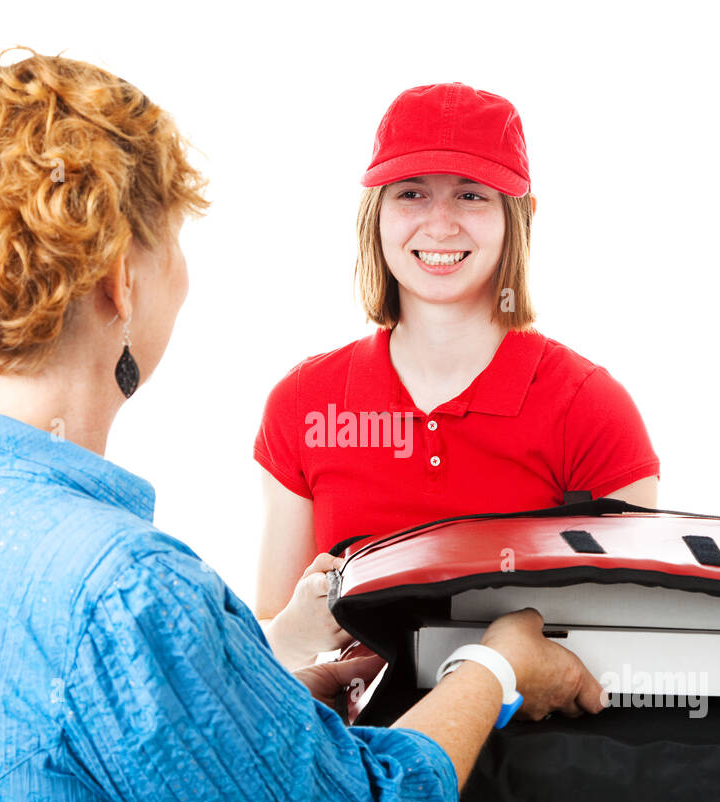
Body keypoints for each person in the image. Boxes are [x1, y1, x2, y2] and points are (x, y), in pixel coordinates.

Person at [0, 50, 604, 802]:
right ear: (118, 282)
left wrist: (251, 696)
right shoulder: (126, 586)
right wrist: (495, 666)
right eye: (170, 243)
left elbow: (70, 747)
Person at [255, 82, 661, 673]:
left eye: (471, 195)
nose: (440, 225)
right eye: (412, 194)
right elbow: (274, 642)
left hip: (530, 751)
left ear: (517, 218)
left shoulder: (590, 406)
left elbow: (640, 640)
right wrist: (295, 637)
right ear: (377, 215)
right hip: (356, 753)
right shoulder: (303, 403)